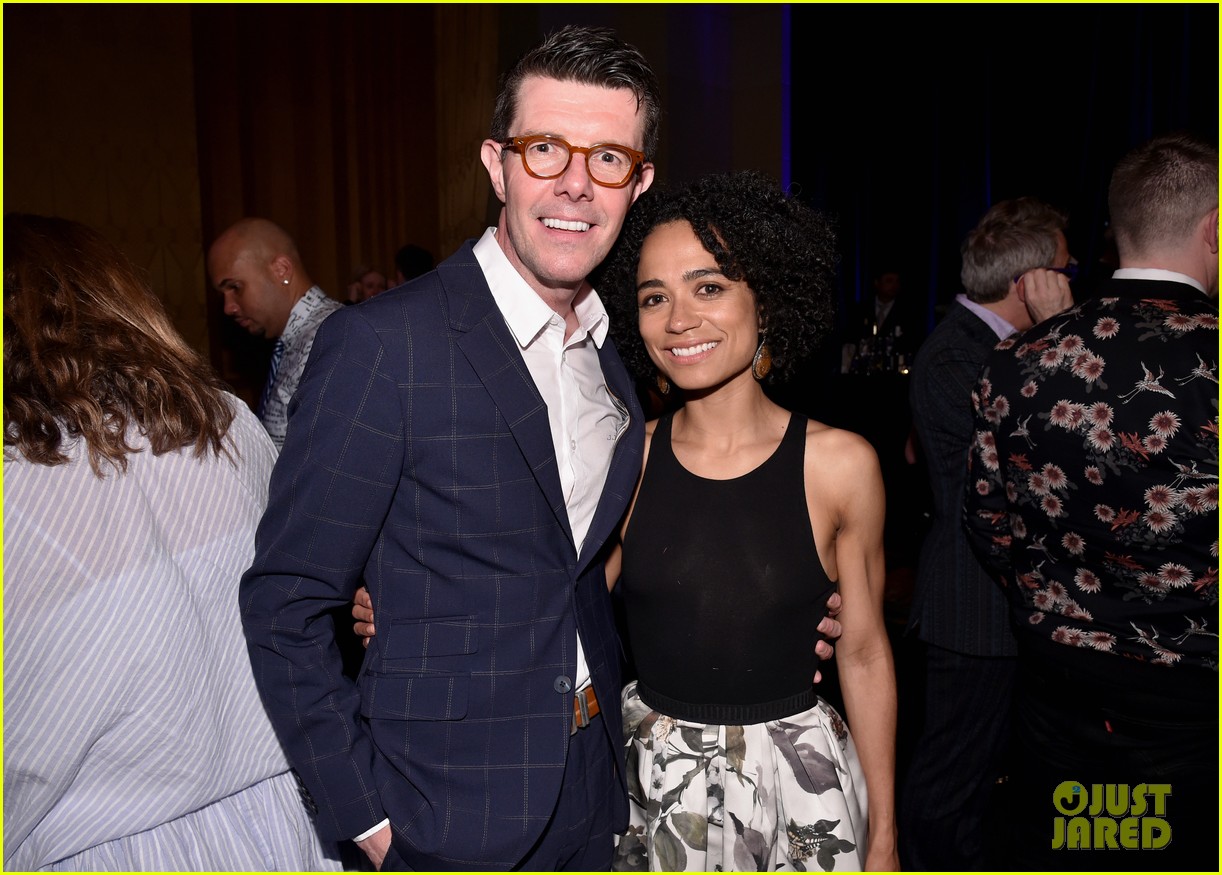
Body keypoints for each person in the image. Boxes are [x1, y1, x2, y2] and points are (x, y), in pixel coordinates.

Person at [239, 26, 659, 871]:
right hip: (441, 813)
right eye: (546, 148)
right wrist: (368, 819)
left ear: (638, 182)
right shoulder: (383, 345)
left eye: (608, 157)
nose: (575, 183)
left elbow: (568, 565)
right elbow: (285, 600)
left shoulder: (613, 356)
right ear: (496, 163)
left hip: (591, 782)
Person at [2, 214, 342, 872]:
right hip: (284, 826)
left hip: (104, 846)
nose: (227, 306)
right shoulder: (228, 423)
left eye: (233, 286)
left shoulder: (17, 484)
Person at [594, 170, 897, 871]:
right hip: (655, 784)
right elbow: (551, 607)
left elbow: (865, 651)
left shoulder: (840, 464)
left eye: (709, 287)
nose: (678, 319)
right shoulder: (623, 459)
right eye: (653, 297)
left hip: (802, 785)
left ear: (766, 299)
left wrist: (884, 831)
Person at [963, 133, 1218, 870]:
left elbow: (989, 523)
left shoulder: (1018, 359)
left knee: (1084, 850)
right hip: (1192, 708)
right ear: (1215, 229)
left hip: (1061, 692)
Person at [900, 197, 1073, 869]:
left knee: (982, 786)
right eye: (1063, 268)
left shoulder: (992, 349)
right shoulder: (955, 357)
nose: (1071, 281)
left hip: (1000, 604)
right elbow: (1030, 470)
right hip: (971, 608)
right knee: (950, 783)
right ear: (1028, 281)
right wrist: (1059, 338)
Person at [207, 217, 342, 448]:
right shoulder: (296, 340)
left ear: (281, 270)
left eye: (235, 288)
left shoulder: (332, 339)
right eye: (224, 294)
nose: (228, 308)